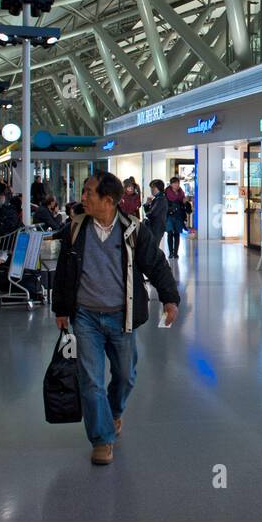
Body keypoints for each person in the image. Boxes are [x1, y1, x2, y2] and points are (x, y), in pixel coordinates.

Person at [53, 172, 179, 465]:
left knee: (125, 376)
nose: (83, 197)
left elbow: (156, 264)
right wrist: (61, 309)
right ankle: (102, 439)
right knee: (91, 381)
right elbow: (64, 271)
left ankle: (114, 412)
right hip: (85, 316)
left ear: (108, 201)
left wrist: (170, 298)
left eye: (89, 192)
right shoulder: (75, 228)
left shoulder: (133, 230)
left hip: (121, 317)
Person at [165, 176, 187, 258]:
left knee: (177, 234)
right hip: (169, 216)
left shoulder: (181, 193)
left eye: (178, 183)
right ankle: (171, 252)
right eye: (175, 183)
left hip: (178, 215)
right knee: (170, 233)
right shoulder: (166, 193)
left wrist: (185, 202)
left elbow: (184, 205)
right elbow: (165, 205)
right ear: (171, 184)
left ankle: (175, 253)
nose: (177, 185)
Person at [143, 179, 168, 252]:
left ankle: (153, 262)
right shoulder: (157, 199)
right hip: (154, 227)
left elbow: (152, 214)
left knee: (153, 248)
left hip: (157, 227)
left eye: (153, 188)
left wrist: (148, 214)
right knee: (151, 247)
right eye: (151, 188)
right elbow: (149, 212)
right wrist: (147, 204)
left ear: (159, 188)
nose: (151, 190)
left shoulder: (161, 199)